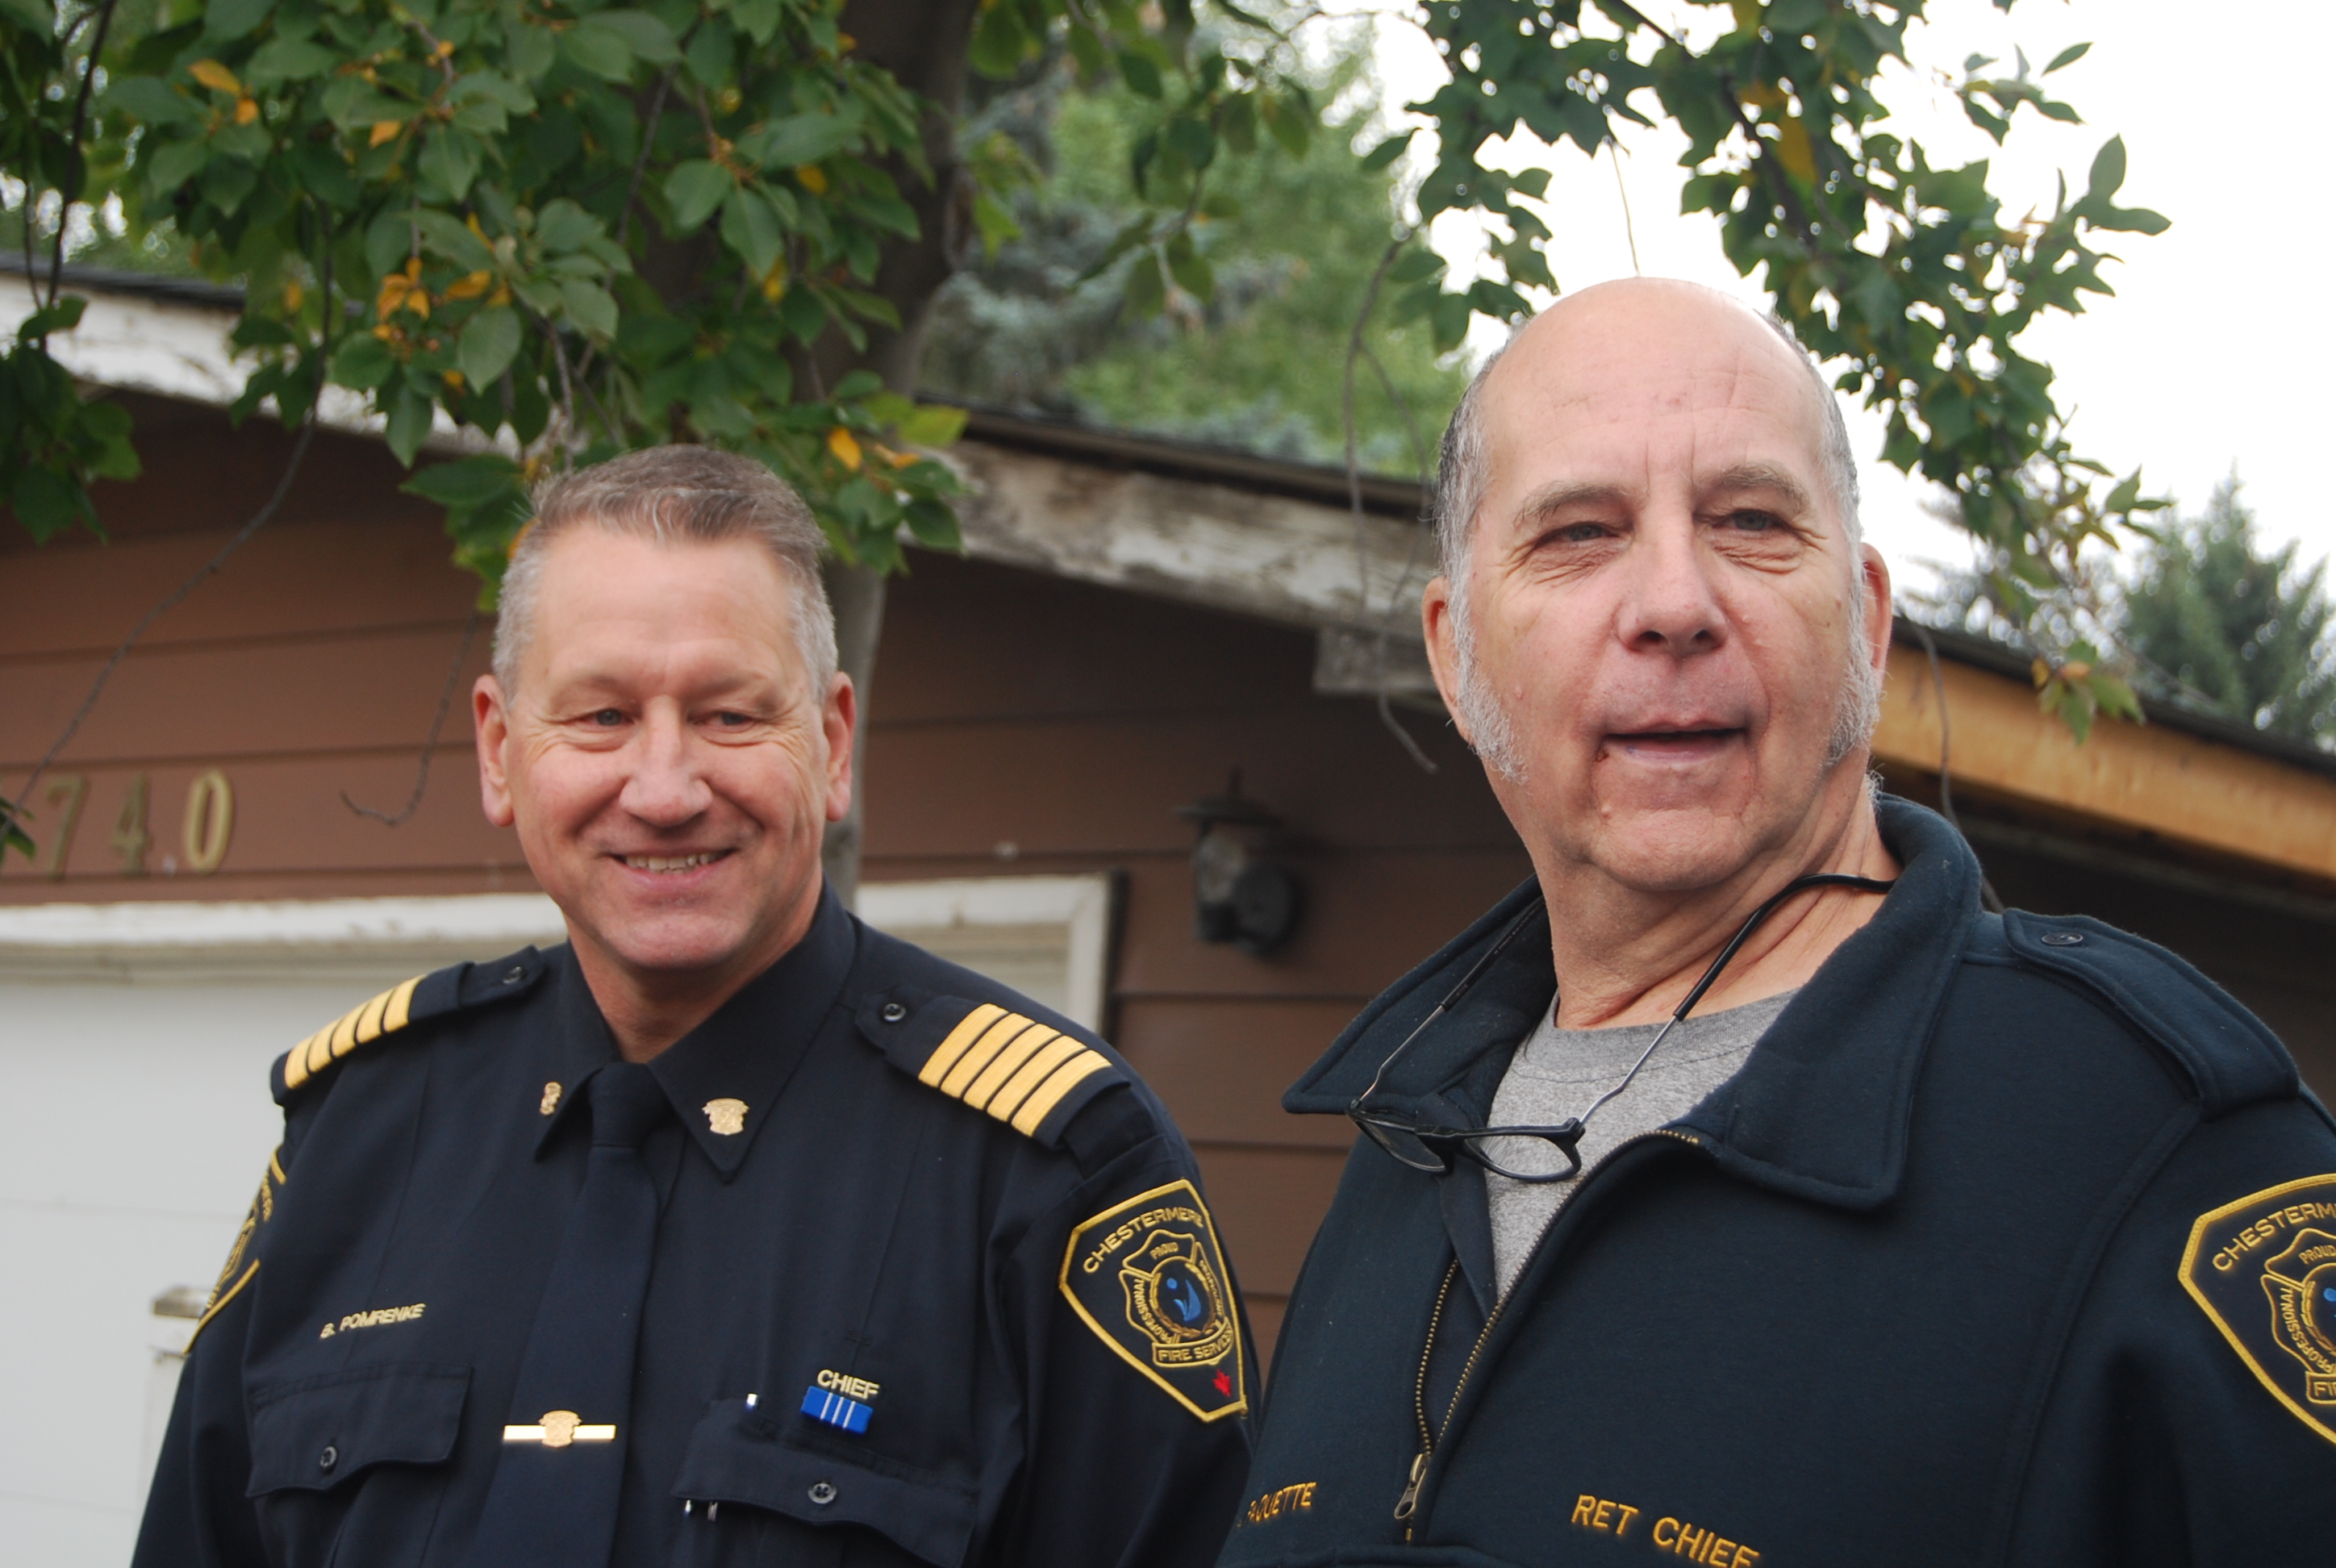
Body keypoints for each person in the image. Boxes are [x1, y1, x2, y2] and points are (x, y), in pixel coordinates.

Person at [1218, 279, 2336, 1566]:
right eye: (1580, 533)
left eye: (1750, 522)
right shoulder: (1403, 1137)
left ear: (1863, 620)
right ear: (1456, 658)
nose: (1674, 604)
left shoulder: (2157, 1143)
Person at [135, 447, 1254, 1568]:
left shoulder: (1055, 1172)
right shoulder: (359, 1134)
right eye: (601, 717)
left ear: (832, 742)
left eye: (727, 716)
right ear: (498, 750)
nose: (665, 790)